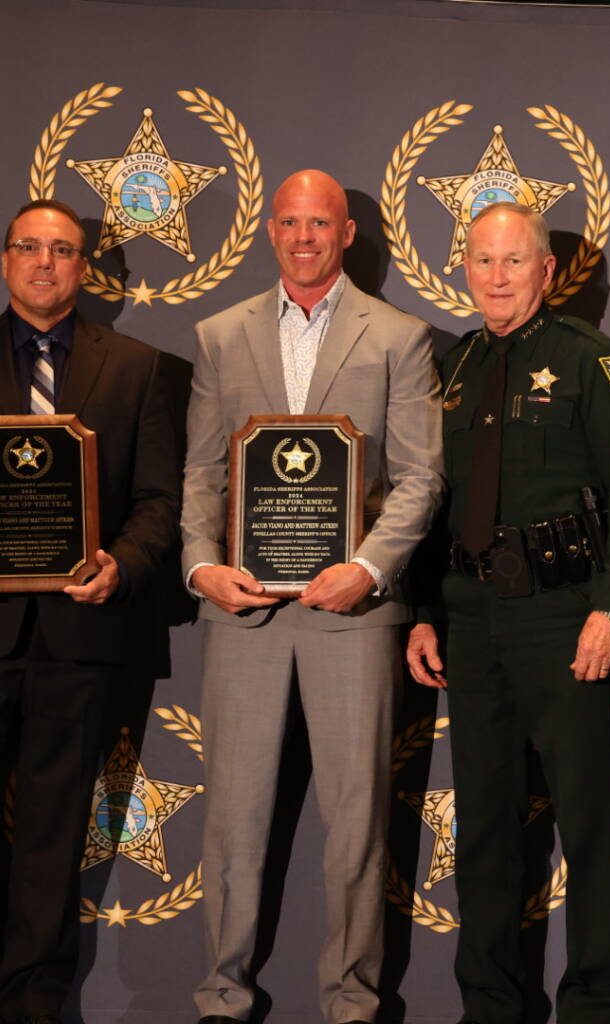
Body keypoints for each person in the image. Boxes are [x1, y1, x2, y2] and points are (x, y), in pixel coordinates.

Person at [0, 199, 186, 1024]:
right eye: (29, 247)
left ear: (85, 267)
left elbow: (161, 501)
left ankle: (33, 1001)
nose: (45, 263)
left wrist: (121, 566)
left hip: (81, 632)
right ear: (7, 259)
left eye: (63, 250)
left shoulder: (137, 369)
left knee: (54, 836)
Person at [183, 169, 442, 1024]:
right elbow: (202, 475)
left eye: (319, 224)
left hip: (352, 615)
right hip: (242, 607)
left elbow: (419, 480)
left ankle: (353, 1002)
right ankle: (222, 996)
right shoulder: (221, 334)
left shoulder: (399, 337)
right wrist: (199, 565)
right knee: (231, 820)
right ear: (269, 230)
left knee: (359, 823)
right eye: (290, 223)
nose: (304, 238)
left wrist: (367, 567)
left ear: (346, 235)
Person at [407, 201, 610, 1024]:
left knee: (592, 826)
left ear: (547, 272)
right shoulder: (454, 364)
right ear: (464, 269)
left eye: (514, 261)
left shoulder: (592, 359)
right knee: (482, 825)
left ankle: (595, 1006)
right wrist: (420, 610)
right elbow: (433, 499)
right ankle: (489, 1006)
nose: (497, 277)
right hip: (471, 621)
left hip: (566, 616)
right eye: (482, 261)